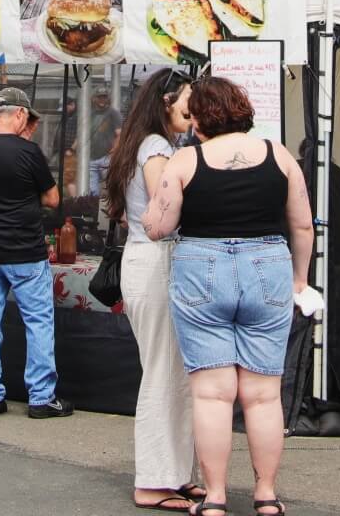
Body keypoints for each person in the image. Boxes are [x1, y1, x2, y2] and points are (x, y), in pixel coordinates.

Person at [143, 77, 314, 516]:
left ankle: (215, 497)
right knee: (263, 395)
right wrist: (299, 280)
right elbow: (302, 227)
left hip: (201, 271)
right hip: (268, 270)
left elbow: (157, 227)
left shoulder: (184, 159)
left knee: (213, 395)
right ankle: (266, 496)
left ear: (199, 117)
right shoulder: (279, 155)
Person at [103, 70, 203, 512]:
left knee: (171, 372)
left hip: (145, 259)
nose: (193, 110)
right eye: (187, 101)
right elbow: (167, 204)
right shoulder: (158, 148)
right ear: (166, 101)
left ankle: (176, 474)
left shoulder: (139, 143)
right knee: (165, 372)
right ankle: (154, 481)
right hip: (157, 260)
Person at [0, 87, 68, 419]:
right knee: (37, 322)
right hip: (24, 250)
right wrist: (26, 198)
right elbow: (52, 199)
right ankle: (41, 398)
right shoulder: (29, 152)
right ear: (20, 114)